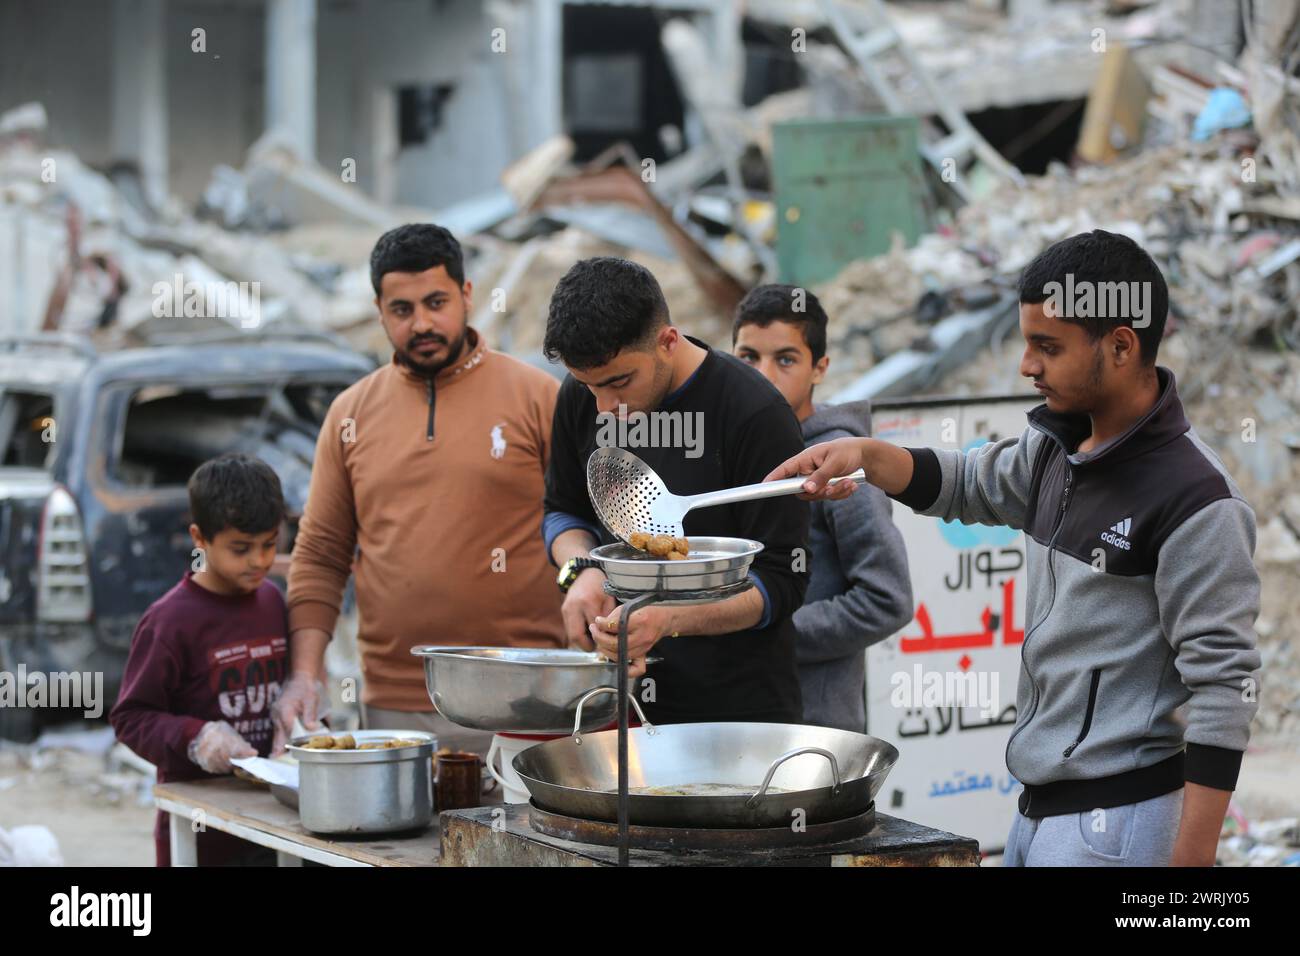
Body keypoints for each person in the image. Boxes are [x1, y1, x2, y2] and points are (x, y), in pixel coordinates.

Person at [764, 230, 1261, 866]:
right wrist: (862, 456)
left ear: (1120, 345)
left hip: (1119, 825)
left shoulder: (1197, 501)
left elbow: (1225, 689)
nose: (1027, 366)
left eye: (1047, 347)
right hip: (1037, 814)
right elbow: (968, 482)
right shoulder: (1057, 450)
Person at [278, 223, 564, 754]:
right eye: (402, 310)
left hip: (529, 700)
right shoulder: (350, 414)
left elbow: (588, 532)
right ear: (379, 310)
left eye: (436, 302)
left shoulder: (537, 398)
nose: (422, 324)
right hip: (397, 705)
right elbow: (320, 555)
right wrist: (305, 675)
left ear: (467, 294)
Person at [543, 257, 809, 724]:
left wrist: (668, 619)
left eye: (619, 383)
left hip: (738, 709)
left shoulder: (753, 412)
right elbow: (563, 512)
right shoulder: (581, 396)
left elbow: (782, 581)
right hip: (616, 701)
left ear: (668, 341)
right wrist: (581, 570)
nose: (606, 407)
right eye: (589, 387)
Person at [732, 284, 913, 732]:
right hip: (736, 718)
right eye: (748, 357)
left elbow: (886, 599)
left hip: (815, 733)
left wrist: (759, 628)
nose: (763, 375)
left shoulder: (838, 462)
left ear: (820, 368)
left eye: (786, 360)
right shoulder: (737, 451)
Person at [110, 454, 288, 866]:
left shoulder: (273, 601)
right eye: (241, 549)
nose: (260, 561)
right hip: (199, 830)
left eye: (270, 543)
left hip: (275, 824)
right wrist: (196, 737)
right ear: (199, 538)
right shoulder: (170, 620)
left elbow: (290, 687)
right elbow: (130, 717)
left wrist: (303, 725)